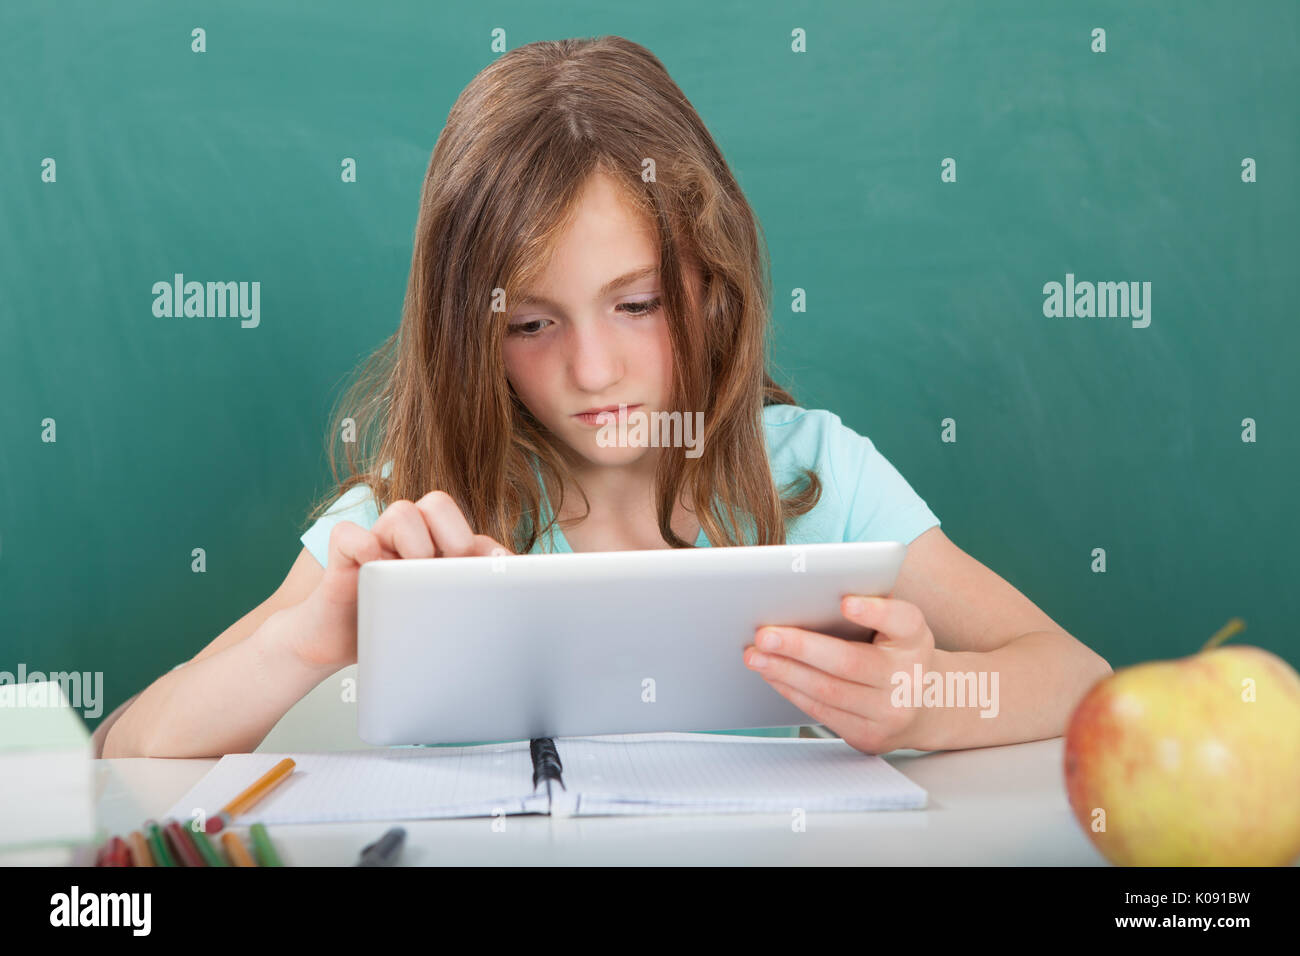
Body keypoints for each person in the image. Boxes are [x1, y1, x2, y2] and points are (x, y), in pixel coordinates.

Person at [102, 36, 1110, 760]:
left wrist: (924, 701)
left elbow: (1079, 675)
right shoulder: (422, 520)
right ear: (473, 334)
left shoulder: (812, 473)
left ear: (711, 286)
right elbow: (128, 744)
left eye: (637, 303)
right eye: (530, 323)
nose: (593, 370)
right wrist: (307, 639)